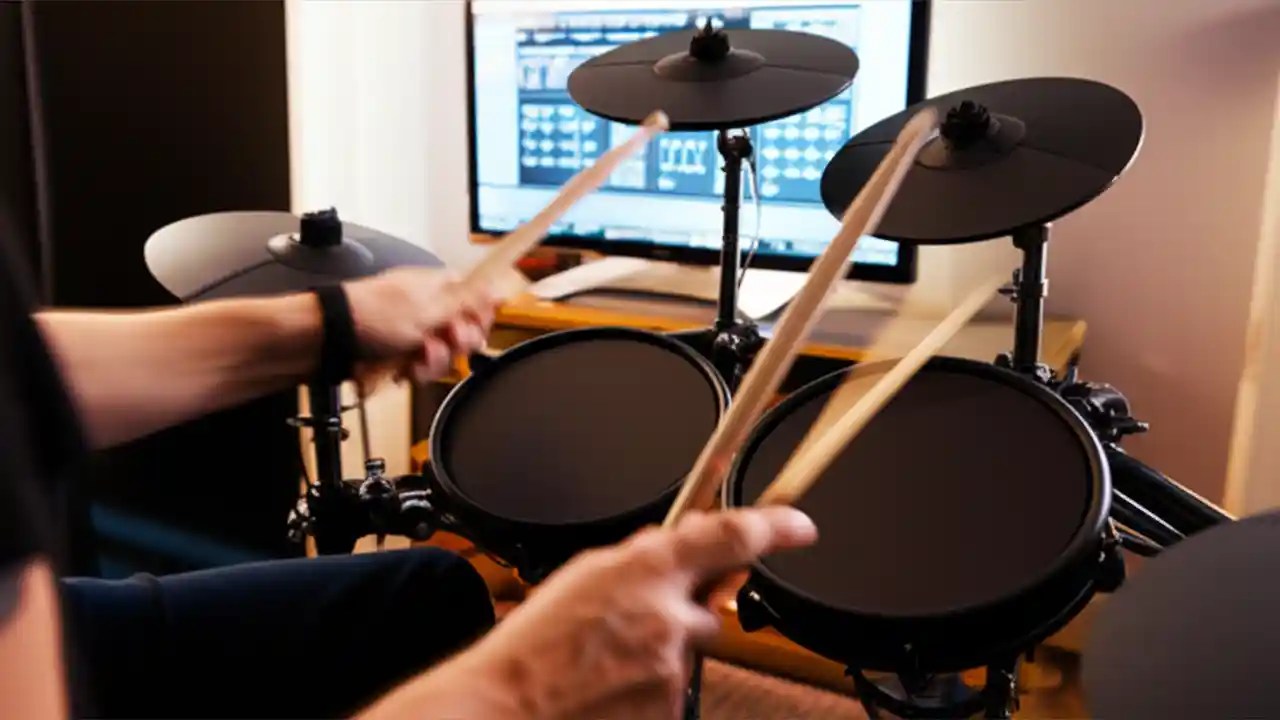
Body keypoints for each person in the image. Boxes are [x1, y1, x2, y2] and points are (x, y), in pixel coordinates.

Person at [0, 230, 818, 719]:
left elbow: (12, 370)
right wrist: (517, 690)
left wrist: (328, 324)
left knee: (429, 593)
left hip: (58, 623)